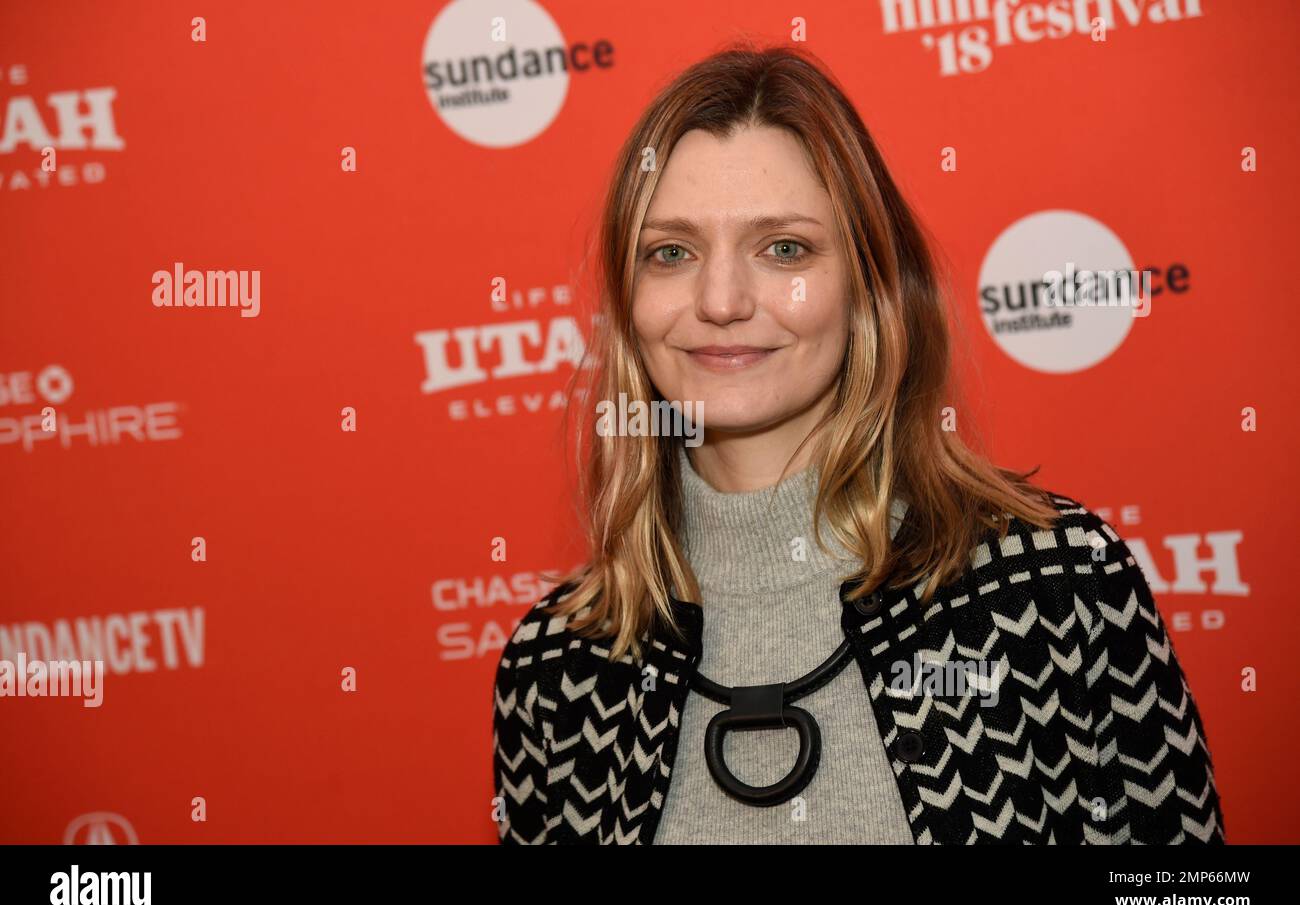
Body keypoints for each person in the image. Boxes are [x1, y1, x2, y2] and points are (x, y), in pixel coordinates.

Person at [491, 43, 1225, 845]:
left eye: (785, 249)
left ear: (870, 285)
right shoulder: (557, 669)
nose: (723, 299)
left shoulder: (1055, 589)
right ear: (629, 300)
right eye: (672, 252)